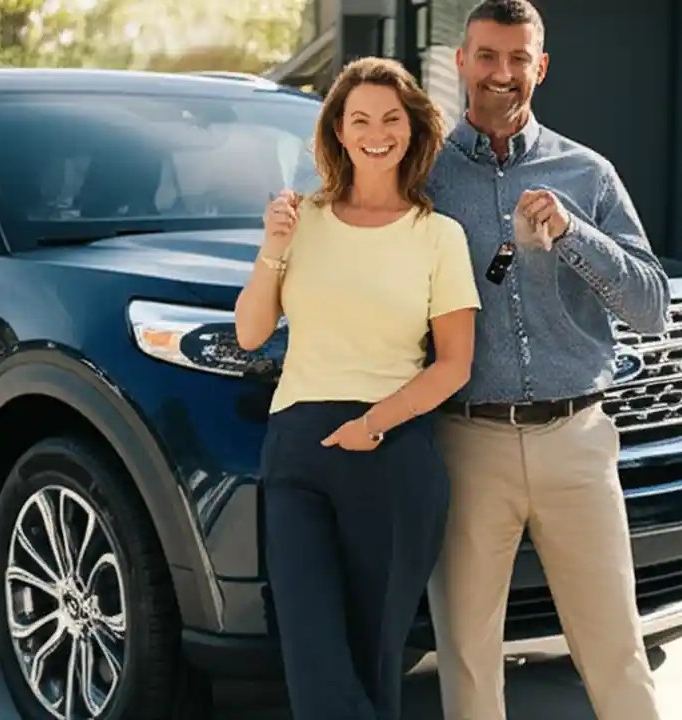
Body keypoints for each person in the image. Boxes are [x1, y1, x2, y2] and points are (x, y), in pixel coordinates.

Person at [423, 2, 671, 719]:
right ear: (462, 61)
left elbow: (651, 305)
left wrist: (572, 234)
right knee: (467, 657)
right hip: (464, 442)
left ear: (542, 66)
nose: (504, 74)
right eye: (489, 56)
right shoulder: (424, 179)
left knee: (616, 647)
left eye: (519, 58)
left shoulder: (588, 174)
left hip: (576, 443)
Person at [234, 57, 481, 720]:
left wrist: (375, 423)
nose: (377, 132)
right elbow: (253, 333)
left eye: (391, 119)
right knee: (311, 650)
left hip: (392, 453)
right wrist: (272, 248)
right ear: (338, 131)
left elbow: (454, 363)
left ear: (413, 129)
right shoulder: (300, 220)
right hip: (296, 451)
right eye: (360, 119)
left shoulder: (438, 237)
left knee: (374, 658)